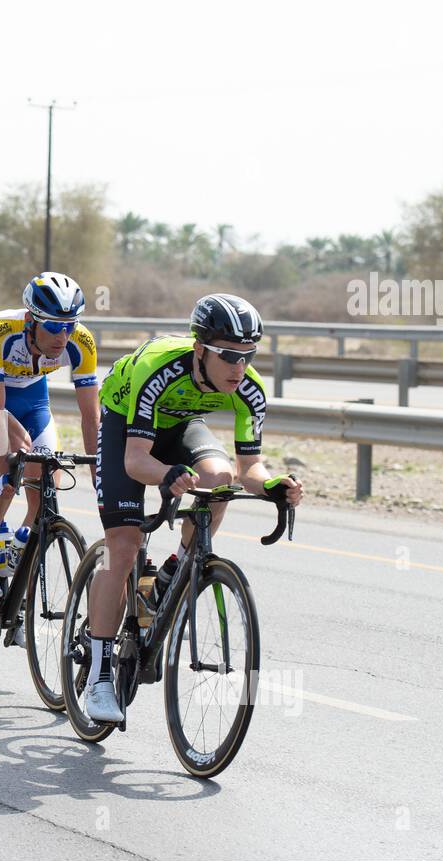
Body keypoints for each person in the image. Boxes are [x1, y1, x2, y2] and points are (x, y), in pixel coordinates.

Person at [82, 293, 304, 723]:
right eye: (228, 356)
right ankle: (99, 675)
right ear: (200, 349)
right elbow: (135, 461)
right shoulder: (158, 369)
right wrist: (167, 475)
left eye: (248, 355)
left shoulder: (250, 390)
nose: (239, 367)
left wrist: (274, 486)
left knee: (219, 480)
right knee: (124, 547)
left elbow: (248, 469)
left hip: (181, 423)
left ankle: (171, 573)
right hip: (126, 425)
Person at [0, 272, 100, 608]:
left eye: (70, 325)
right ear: (31, 320)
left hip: (33, 400)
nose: (63, 336)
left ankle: (19, 547)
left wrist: (98, 473)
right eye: (53, 326)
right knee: (9, 455)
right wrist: (6, 454)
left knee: (46, 477)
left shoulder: (82, 343)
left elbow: (91, 417)